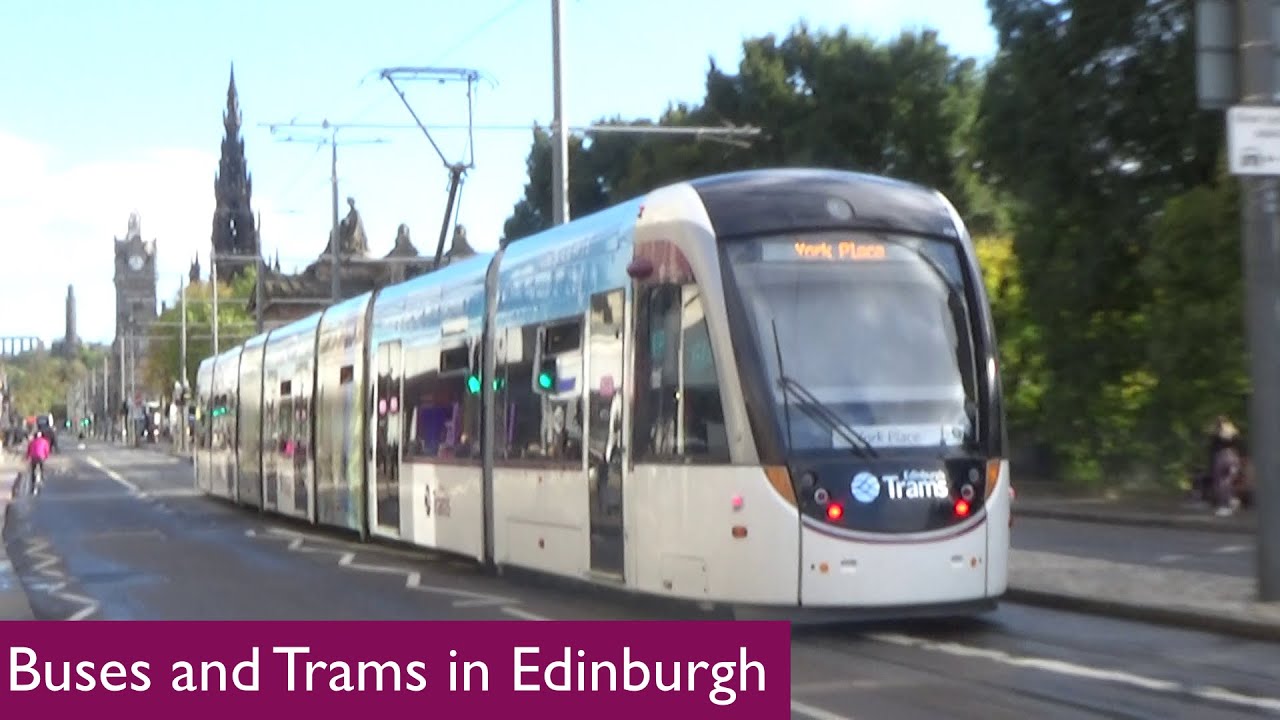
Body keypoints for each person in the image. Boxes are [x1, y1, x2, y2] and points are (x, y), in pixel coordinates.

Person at [1203, 416, 1245, 516]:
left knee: (1221, 482)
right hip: (1233, 456)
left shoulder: (1217, 432)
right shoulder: (1233, 431)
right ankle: (1232, 500)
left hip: (1221, 457)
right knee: (1228, 481)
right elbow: (1238, 442)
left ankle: (1226, 505)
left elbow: (1211, 440)